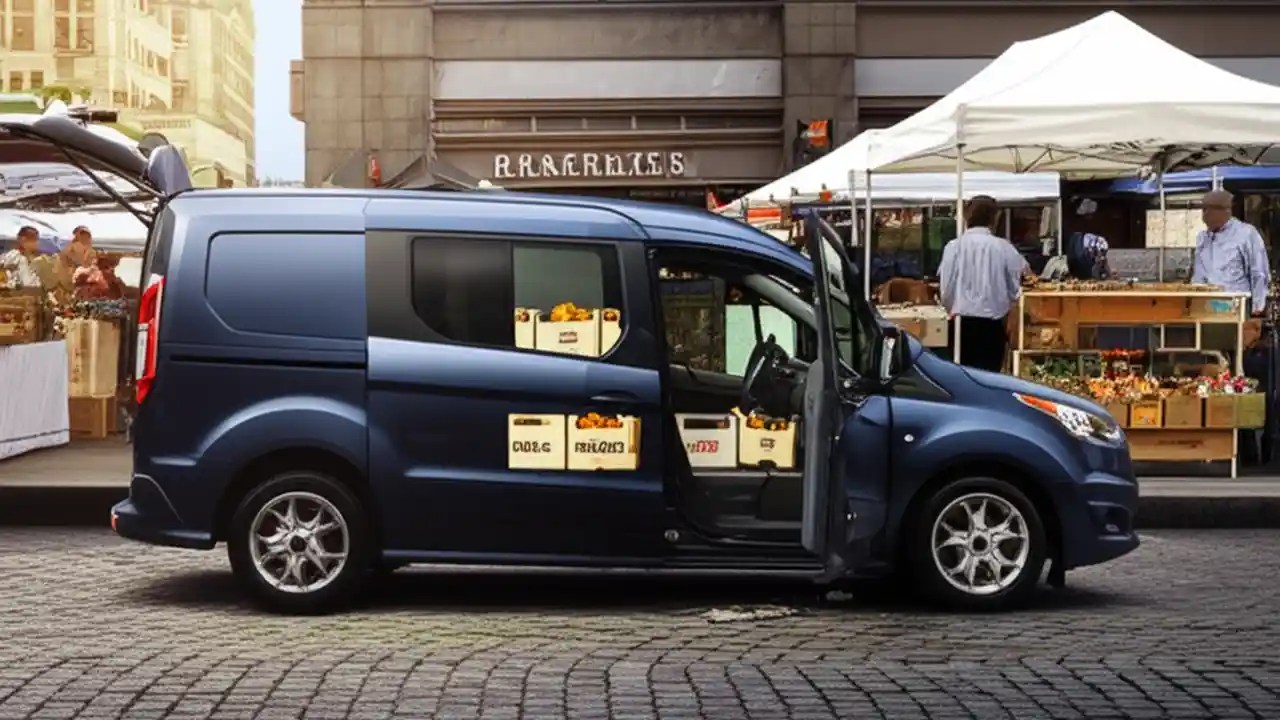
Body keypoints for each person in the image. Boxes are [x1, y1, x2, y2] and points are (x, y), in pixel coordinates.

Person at [938, 195, 1029, 373]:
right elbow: (1015, 289)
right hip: (992, 327)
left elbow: (946, 290)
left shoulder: (953, 247)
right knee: (989, 381)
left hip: (960, 325)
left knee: (961, 380)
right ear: (994, 218)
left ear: (966, 217)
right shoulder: (1004, 248)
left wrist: (951, 308)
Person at [1192, 190, 1270, 316]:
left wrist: (1258, 311)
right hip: (1206, 309)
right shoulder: (1203, 238)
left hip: (1236, 307)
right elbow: (1199, 275)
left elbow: (1259, 273)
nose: (1204, 217)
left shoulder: (1246, 234)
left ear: (1223, 212)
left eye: (1207, 211)